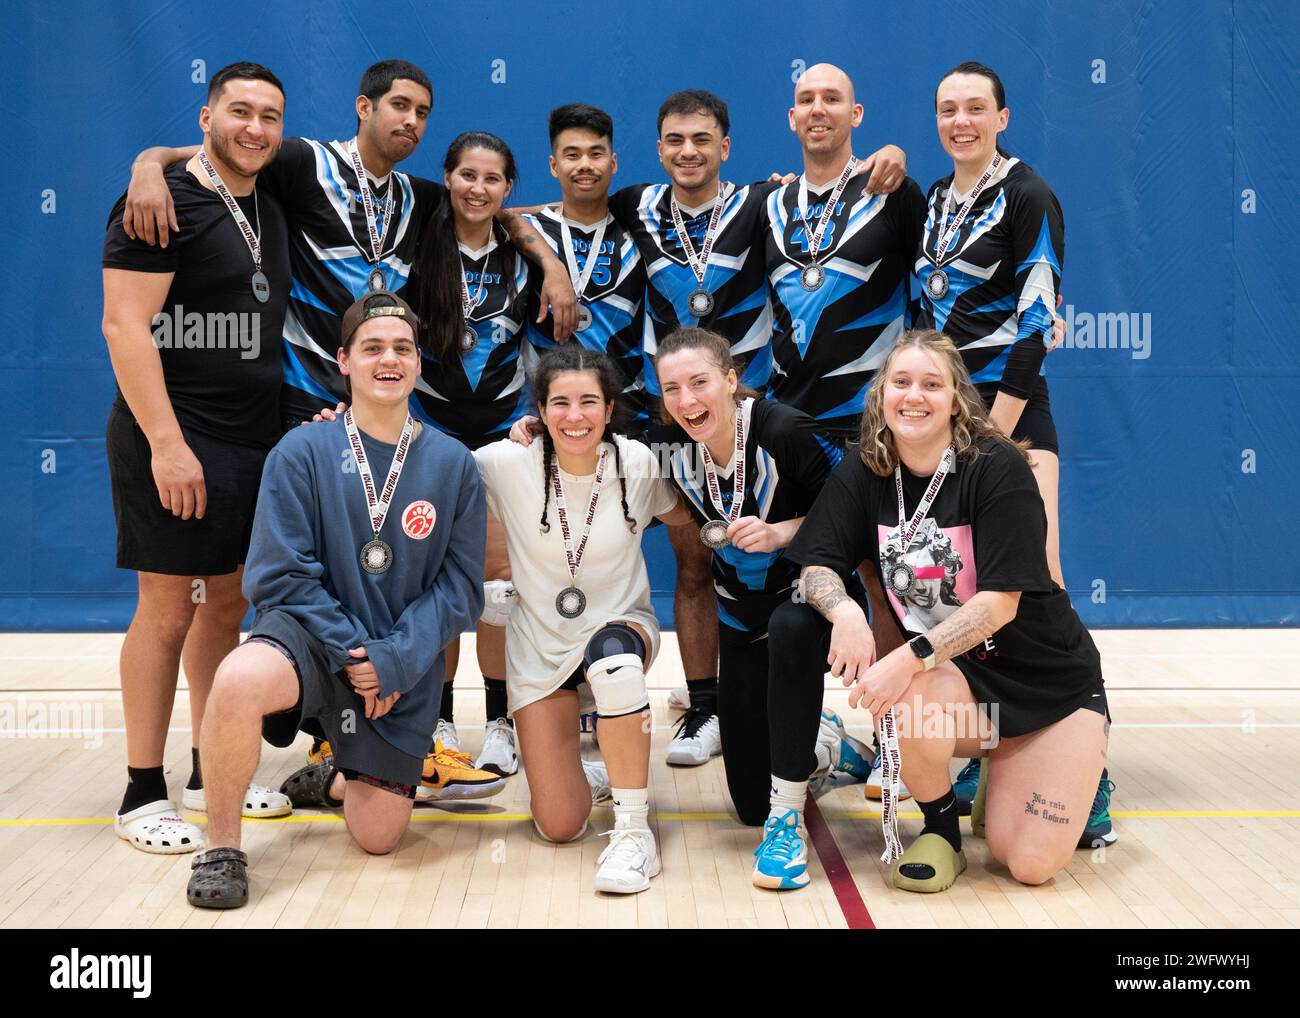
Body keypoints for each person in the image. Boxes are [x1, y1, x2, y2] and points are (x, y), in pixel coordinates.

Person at [604, 89, 909, 767]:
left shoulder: (759, 204)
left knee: (852, 559)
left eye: (702, 139)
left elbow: (837, 197)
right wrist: (524, 235)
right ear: (659, 150)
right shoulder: (636, 207)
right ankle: (708, 707)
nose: (688, 151)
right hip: (679, 417)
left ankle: (882, 721)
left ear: (726, 148)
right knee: (696, 560)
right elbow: (565, 207)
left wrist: (887, 155)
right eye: (675, 140)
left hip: (755, 416)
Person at [186, 291, 486, 909]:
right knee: (238, 679)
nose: (389, 359)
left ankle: (335, 772)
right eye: (372, 347)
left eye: (402, 348)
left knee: (379, 840)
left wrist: (395, 659)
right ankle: (220, 848)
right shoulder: (301, 450)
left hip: (398, 663)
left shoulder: (454, 463)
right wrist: (361, 656)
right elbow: (277, 576)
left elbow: (461, 588)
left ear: (419, 363)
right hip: (311, 639)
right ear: (344, 360)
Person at [780, 330, 1109, 893]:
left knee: (1027, 864)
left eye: (932, 384)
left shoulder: (996, 465)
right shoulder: (866, 468)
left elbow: (1000, 604)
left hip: (1048, 682)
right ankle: (940, 832)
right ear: (881, 395)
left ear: (956, 399)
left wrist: (907, 657)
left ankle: (1072, 763)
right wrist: (847, 616)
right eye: (901, 382)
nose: (915, 396)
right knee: (907, 700)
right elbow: (814, 566)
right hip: (959, 681)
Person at [124, 60, 576, 429]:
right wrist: (150, 163)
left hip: (376, 405)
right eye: (400, 105)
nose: (411, 120)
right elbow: (227, 150)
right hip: (302, 401)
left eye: (421, 113)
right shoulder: (307, 162)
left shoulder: (419, 196)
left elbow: (496, 211)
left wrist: (551, 266)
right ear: (364, 106)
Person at [913, 62, 1113, 841]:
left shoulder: (1029, 195)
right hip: (944, 423)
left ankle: (1092, 761)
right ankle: (988, 739)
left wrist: (990, 435)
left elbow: (1036, 327)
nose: (960, 121)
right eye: (947, 109)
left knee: (1042, 585)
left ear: (1002, 117)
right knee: (966, 596)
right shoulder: (937, 199)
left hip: (1011, 421)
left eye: (975, 109)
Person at [102, 62, 294, 855]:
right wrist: (168, 444)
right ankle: (142, 790)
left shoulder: (267, 194)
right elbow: (124, 327)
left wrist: (154, 150)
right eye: (238, 111)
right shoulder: (156, 206)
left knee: (227, 605)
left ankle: (210, 767)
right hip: (173, 439)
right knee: (166, 608)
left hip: (253, 438)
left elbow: (198, 145)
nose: (255, 127)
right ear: (208, 114)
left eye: (270, 116)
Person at [650, 328, 879, 888]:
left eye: (700, 383)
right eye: (672, 388)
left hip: (810, 602)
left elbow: (860, 510)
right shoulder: (667, 445)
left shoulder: (784, 429)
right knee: (747, 803)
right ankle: (827, 748)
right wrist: (533, 429)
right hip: (738, 612)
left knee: (790, 627)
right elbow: (587, 437)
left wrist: (783, 532)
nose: (687, 401)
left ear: (730, 381)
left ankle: (788, 822)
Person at [474, 345, 690, 893]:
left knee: (615, 664)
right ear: (540, 412)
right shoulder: (503, 462)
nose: (576, 416)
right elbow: (417, 461)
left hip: (620, 626)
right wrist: (336, 426)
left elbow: (694, 509)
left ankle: (636, 833)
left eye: (589, 401)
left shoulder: (638, 463)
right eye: (560, 403)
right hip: (539, 646)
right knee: (560, 825)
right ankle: (598, 772)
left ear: (610, 408)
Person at [405, 131, 553, 782]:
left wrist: (548, 262)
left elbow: (541, 352)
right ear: (447, 177)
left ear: (507, 189)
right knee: (433, 584)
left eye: (492, 179)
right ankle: (436, 721)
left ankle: (499, 721)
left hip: (498, 436)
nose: (477, 188)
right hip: (428, 435)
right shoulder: (416, 249)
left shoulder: (522, 259)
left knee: (496, 589)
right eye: (466, 175)